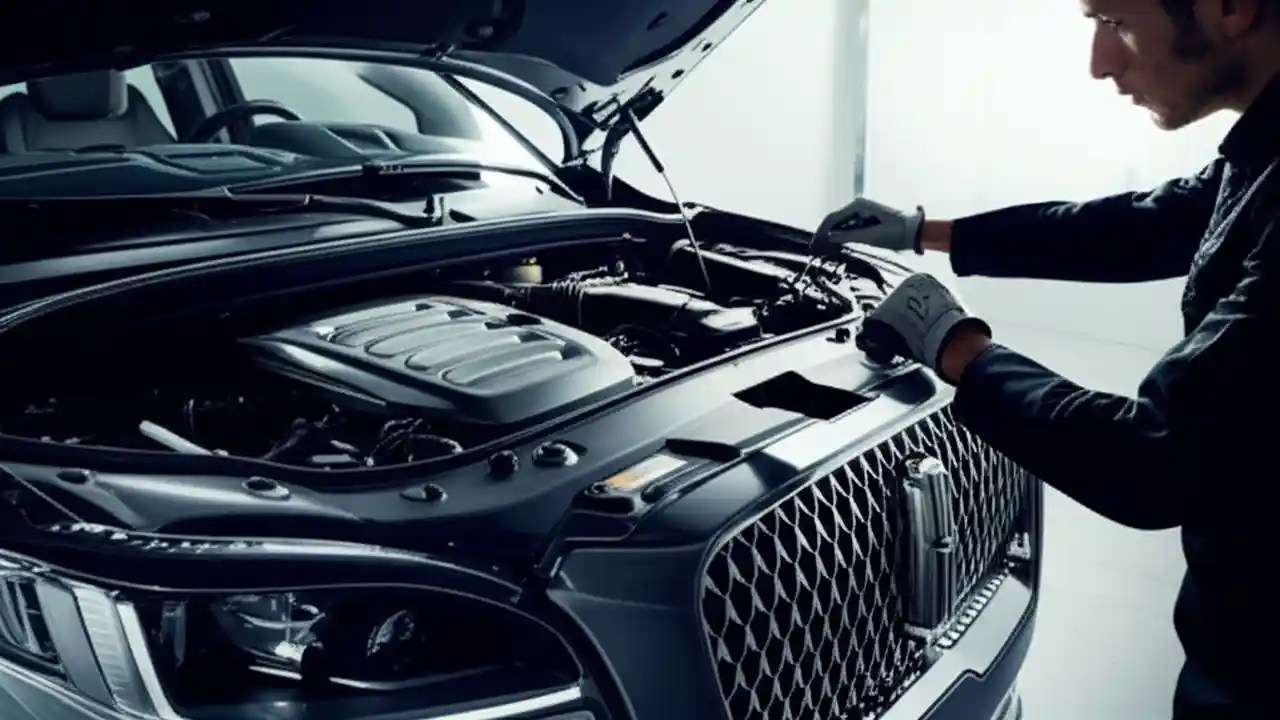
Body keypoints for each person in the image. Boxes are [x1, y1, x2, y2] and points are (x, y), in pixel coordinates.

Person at [816, 1, 1280, 718]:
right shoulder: (1264, 155)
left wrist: (958, 347)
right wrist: (923, 232)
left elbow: (1158, 458)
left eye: (1118, 20)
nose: (1101, 60)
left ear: (1231, 8)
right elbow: (1140, 227)